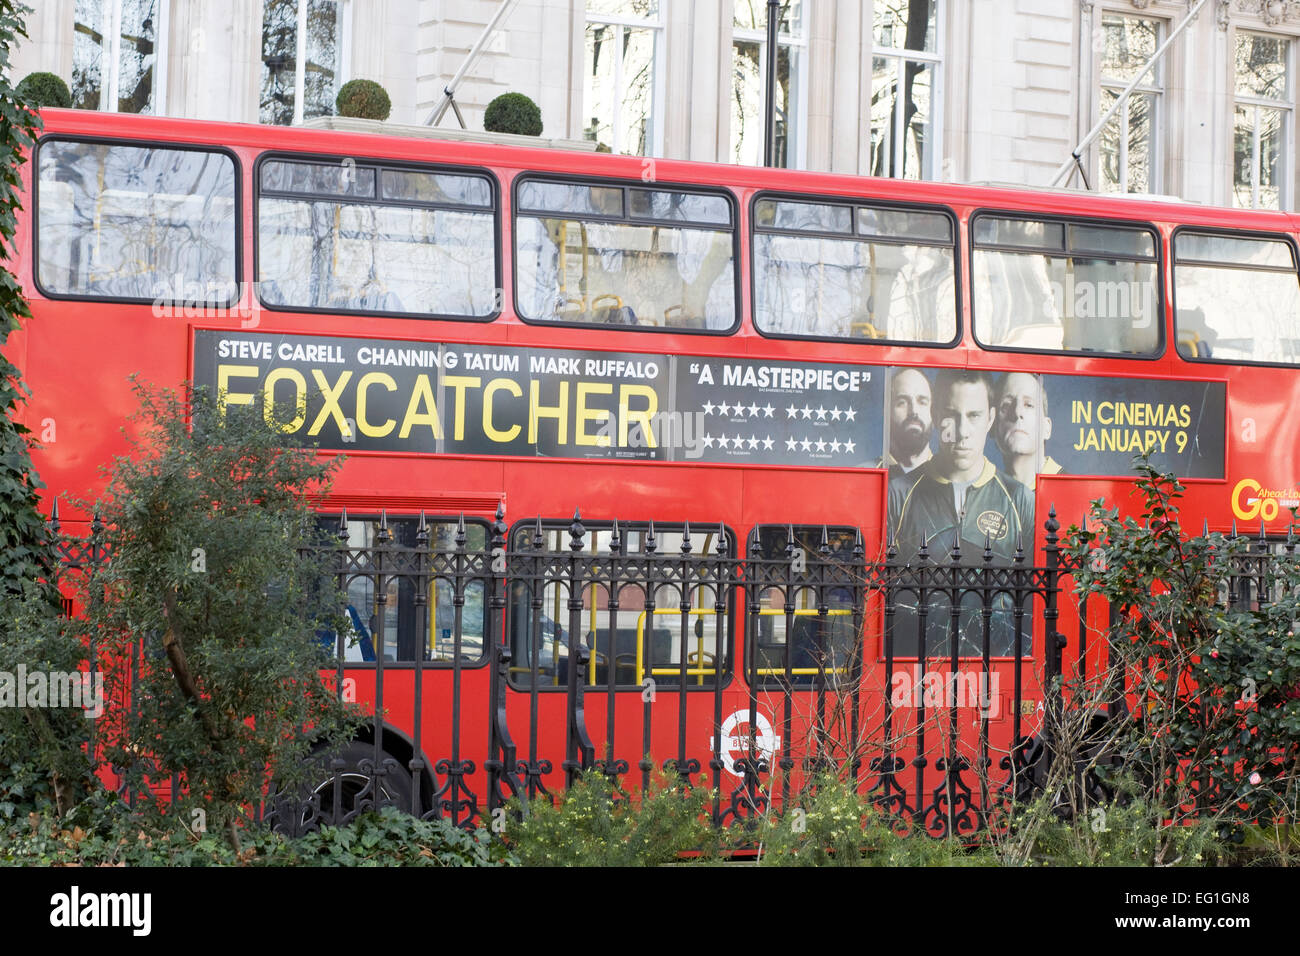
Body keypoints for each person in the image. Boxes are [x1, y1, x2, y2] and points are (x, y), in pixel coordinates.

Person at [886, 370, 1035, 657]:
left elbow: (1032, 603)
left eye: (974, 416)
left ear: (990, 418)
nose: (962, 431)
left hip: (998, 674)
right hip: (914, 670)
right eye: (951, 415)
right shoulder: (899, 493)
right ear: (936, 413)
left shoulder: (1018, 498)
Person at [993, 371, 1062, 489]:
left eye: (1029, 405)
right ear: (993, 426)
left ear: (1047, 428)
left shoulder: (1072, 489)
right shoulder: (986, 495)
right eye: (1006, 405)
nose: (1017, 412)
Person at [879, 367, 933, 486]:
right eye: (902, 402)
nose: (914, 411)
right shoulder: (866, 472)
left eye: (922, 402)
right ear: (886, 411)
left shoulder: (950, 477)